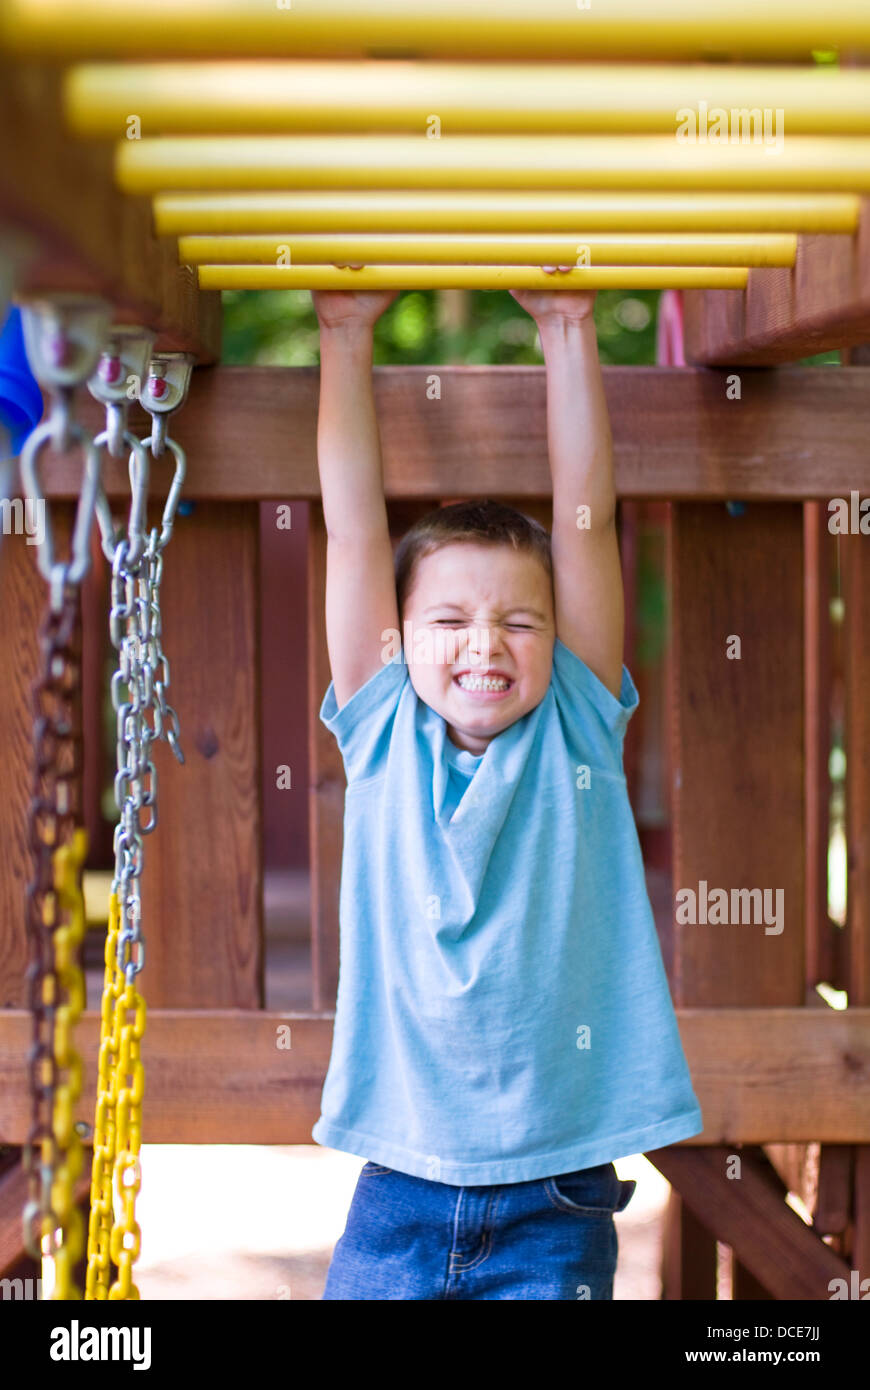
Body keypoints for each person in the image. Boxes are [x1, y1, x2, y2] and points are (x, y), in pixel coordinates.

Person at [310, 274, 703, 1300]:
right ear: (400, 639)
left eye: (518, 622)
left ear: (555, 640)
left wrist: (568, 328)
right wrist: (346, 333)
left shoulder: (577, 719)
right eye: (448, 621)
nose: (484, 643)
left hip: (555, 1192)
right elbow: (353, 530)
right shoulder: (384, 727)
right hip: (400, 1184)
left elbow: (585, 521)